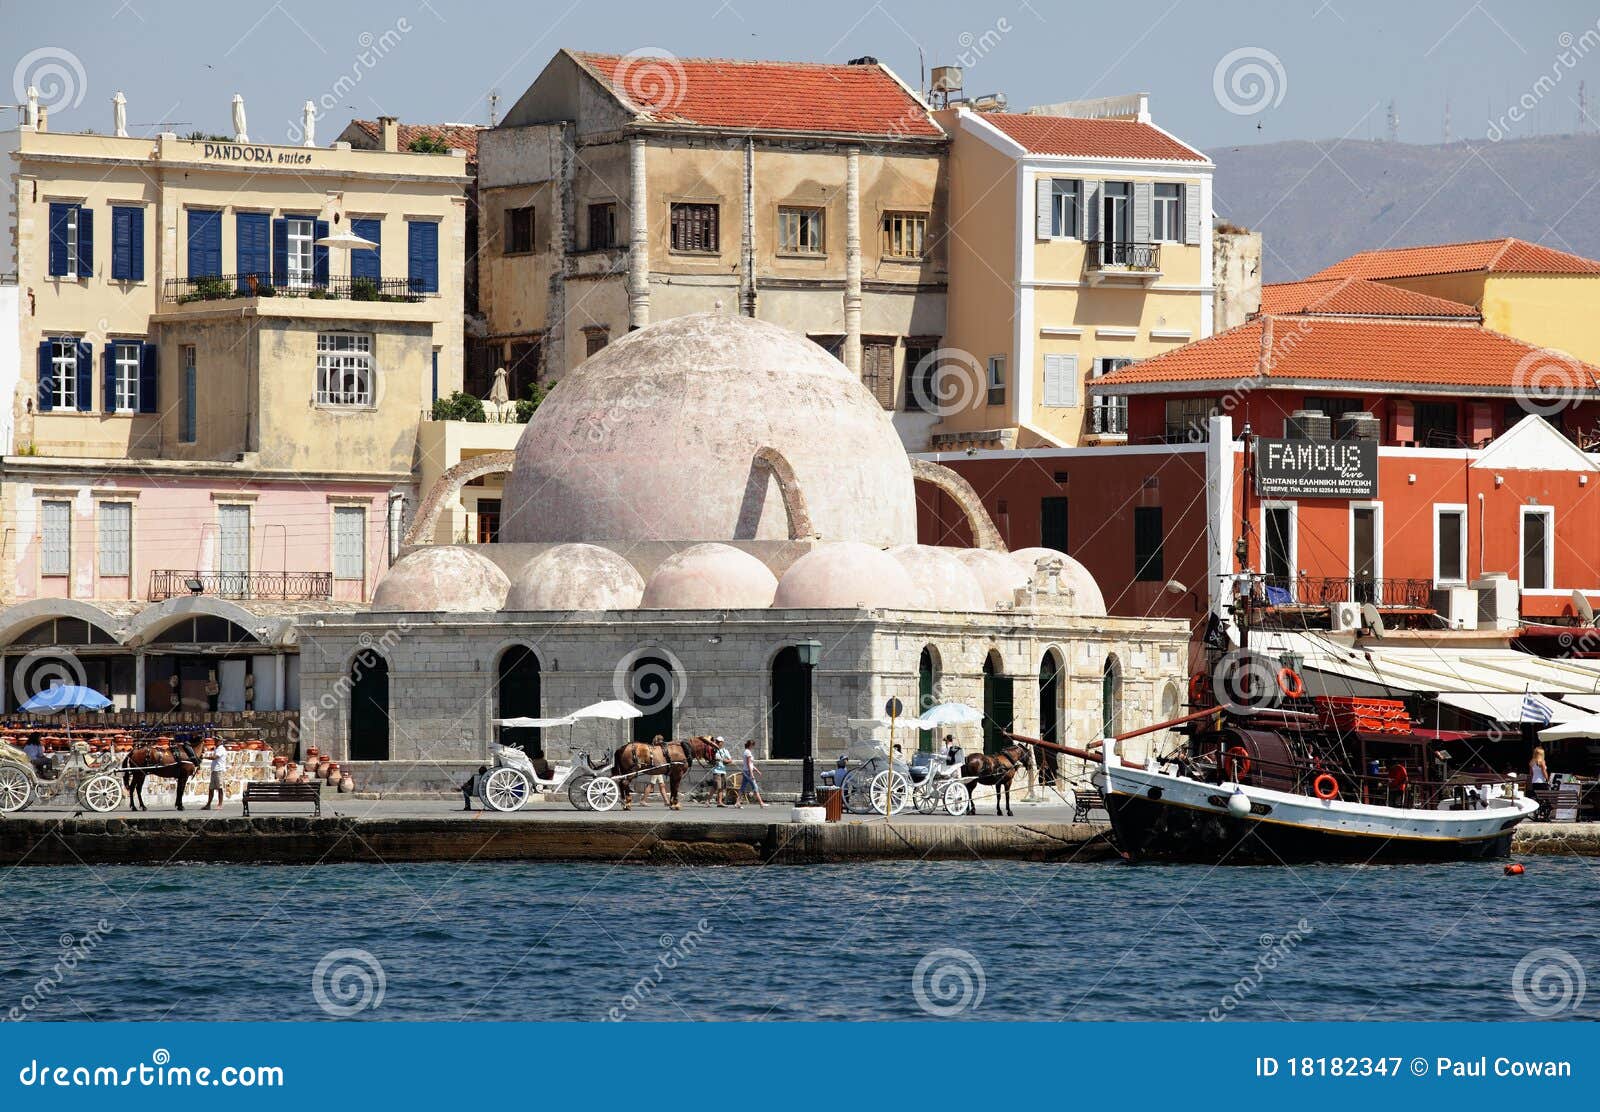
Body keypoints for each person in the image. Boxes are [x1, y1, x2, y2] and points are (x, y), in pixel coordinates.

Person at [200, 741, 228, 811]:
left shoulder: (221, 749)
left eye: (216, 740)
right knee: (211, 788)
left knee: (219, 788)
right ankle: (208, 805)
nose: (215, 741)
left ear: (220, 741)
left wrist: (204, 757)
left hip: (219, 770)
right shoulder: (217, 748)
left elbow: (215, 757)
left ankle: (220, 804)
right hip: (214, 770)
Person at [739, 740, 767, 808]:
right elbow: (748, 764)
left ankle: (737, 802)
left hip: (746, 771)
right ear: (750, 745)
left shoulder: (746, 751)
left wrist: (757, 770)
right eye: (753, 745)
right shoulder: (748, 752)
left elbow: (751, 764)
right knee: (755, 787)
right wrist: (751, 774)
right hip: (748, 772)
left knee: (742, 787)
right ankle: (761, 803)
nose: (753, 747)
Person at [710, 737, 733, 806]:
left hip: (723, 771)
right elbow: (710, 759)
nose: (717, 743)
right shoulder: (713, 750)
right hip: (716, 771)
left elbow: (730, 760)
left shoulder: (725, 751)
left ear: (722, 743)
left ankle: (716, 802)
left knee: (721, 787)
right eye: (717, 741)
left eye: (719, 742)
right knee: (717, 787)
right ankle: (713, 801)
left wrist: (725, 761)